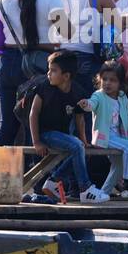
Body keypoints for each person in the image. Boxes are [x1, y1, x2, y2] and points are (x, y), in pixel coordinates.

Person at [0, 0, 65, 146]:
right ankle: (34, 176)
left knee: (7, 124)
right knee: (34, 125)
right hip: (40, 66)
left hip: (7, 64)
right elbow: (67, 33)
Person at [28, 50, 110, 203]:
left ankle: (54, 180)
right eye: (49, 70)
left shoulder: (77, 91)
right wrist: (36, 141)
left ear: (66, 76)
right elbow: (33, 114)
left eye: (53, 71)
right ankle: (84, 188)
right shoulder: (44, 87)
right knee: (76, 146)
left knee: (80, 147)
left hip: (63, 135)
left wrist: (84, 140)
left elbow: (79, 118)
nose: (48, 74)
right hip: (45, 133)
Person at [89, 60, 128, 198]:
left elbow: (126, 115)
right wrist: (87, 105)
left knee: (118, 166)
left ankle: (103, 194)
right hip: (105, 137)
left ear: (120, 83)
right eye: (105, 79)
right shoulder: (98, 95)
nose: (108, 83)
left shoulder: (122, 97)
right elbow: (92, 104)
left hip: (118, 136)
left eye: (113, 80)